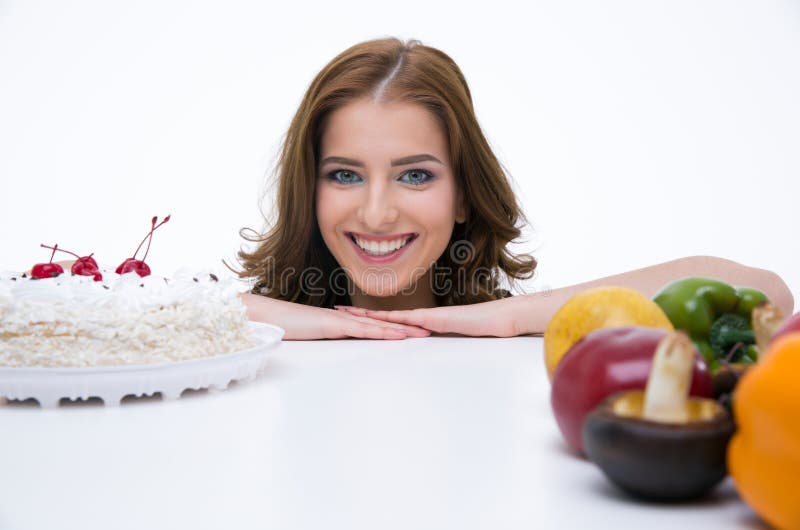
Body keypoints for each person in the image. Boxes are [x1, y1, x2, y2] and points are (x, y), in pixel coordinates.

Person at [237, 37, 793, 340]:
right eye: (345, 175)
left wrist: (513, 316)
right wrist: (296, 321)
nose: (377, 213)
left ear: (463, 195)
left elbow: (765, 292)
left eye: (415, 175)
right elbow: (176, 302)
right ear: (309, 189)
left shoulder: (507, 331)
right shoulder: (254, 335)